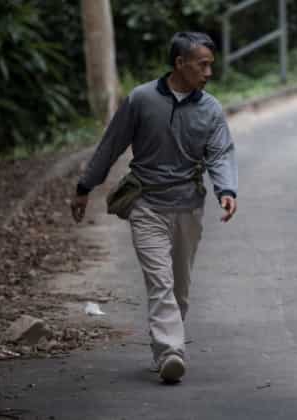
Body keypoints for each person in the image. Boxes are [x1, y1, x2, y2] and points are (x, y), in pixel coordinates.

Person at [70, 31, 238, 384]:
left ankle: (166, 343)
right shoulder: (141, 99)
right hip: (147, 205)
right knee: (160, 283)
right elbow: (111, 145)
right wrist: (85, 186)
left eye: (211, 65)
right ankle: (171, 352)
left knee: (179, 289)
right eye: (202, 65)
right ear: (180, 63)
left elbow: (220, 153)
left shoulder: (210, 109)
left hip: (188, 207)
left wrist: (226, 189)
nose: (209, 73)